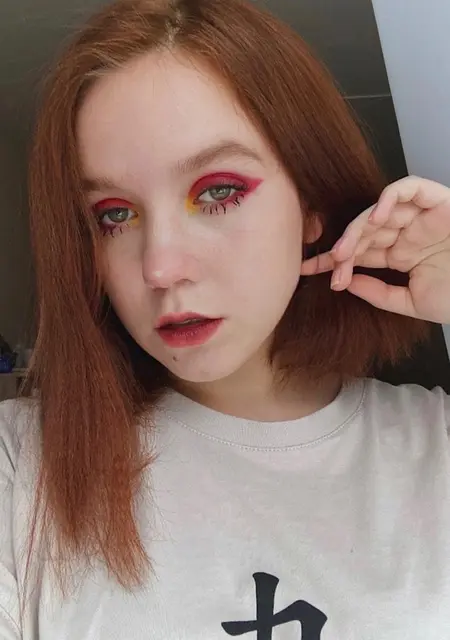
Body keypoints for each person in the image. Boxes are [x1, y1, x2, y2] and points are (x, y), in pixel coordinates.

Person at [1, 0, 449, 637]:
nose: (160, 267)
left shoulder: (434, 447)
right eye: (114, 215)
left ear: (312, 205)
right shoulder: (24, 466)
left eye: (217, 192)